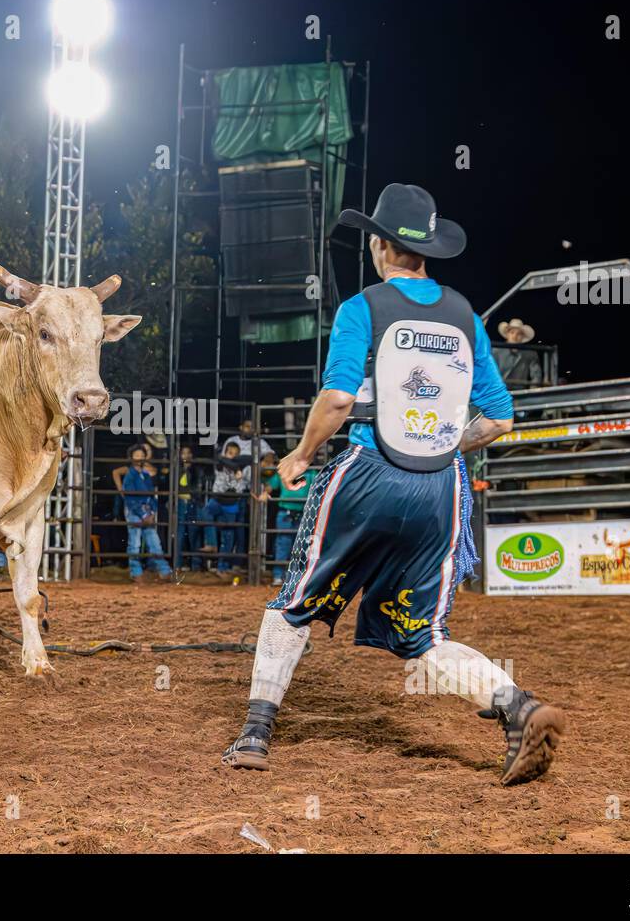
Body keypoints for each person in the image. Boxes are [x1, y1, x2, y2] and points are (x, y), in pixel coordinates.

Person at [221, 182, 565, 786]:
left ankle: (254, 731)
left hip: (367, 473)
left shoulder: (364, 308)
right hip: (438, 489)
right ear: (425, 248)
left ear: (380, 245)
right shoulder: (464, 313)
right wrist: (438, 444)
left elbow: (336, 399)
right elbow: (500, 417)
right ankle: (518, 706)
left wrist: (301, 455)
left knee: (292, 605)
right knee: (424, 637)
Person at [259, 445, 328, 588]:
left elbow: (319, 487)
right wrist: (266, 492)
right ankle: (279, 575)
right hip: (286, 512)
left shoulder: (311, 473)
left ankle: (297, 578)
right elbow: (271, 485)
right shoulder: (285, 472)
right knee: (283, 543)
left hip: (303, 514)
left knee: (302, 545)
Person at [202, 440, 255, 575]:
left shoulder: (242, 463)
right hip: (218, 499)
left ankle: (222, 567)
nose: (231, 456)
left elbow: (250, 458)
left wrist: (236, 464)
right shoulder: (220, 463)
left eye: (235, 454)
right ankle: (212, 544)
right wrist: (236, 468)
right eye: (229, 453)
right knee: (206, 512)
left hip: (232, 503)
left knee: (228, 536)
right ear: (225, 453)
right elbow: (220, 459)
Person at [122, 443, 171, 582]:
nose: (140, 457)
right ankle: (137, 572)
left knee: (152, 542)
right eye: (137, 455)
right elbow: (130, 498)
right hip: (136, 512)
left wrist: (151, 511)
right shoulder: (131, 475)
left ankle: (163, 571)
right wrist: (145, 514)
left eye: (142, 455)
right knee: (136, 543)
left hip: (145, 512)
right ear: (131, 458)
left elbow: (151, 494)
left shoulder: (143, 474)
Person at [174, 445, 206, 571]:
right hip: (181, 503)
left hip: (192, 503)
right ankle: (178, 565)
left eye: (188, 453)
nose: (186, 456)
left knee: (193, 534)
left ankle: (196, 565)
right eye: (183, 453)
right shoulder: (177, 469)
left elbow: (198, 488)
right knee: (180, 535)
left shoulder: (196, 470)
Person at [492, 317, 543, 387]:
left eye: (519, 334)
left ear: (523, 337)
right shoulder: (496, 351)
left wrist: (533, 391)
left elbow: (536, 375)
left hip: (519, 394)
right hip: (499, 392)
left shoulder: (530, 354)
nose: (515, 336)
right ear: (507, 334)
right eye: (512, 332)